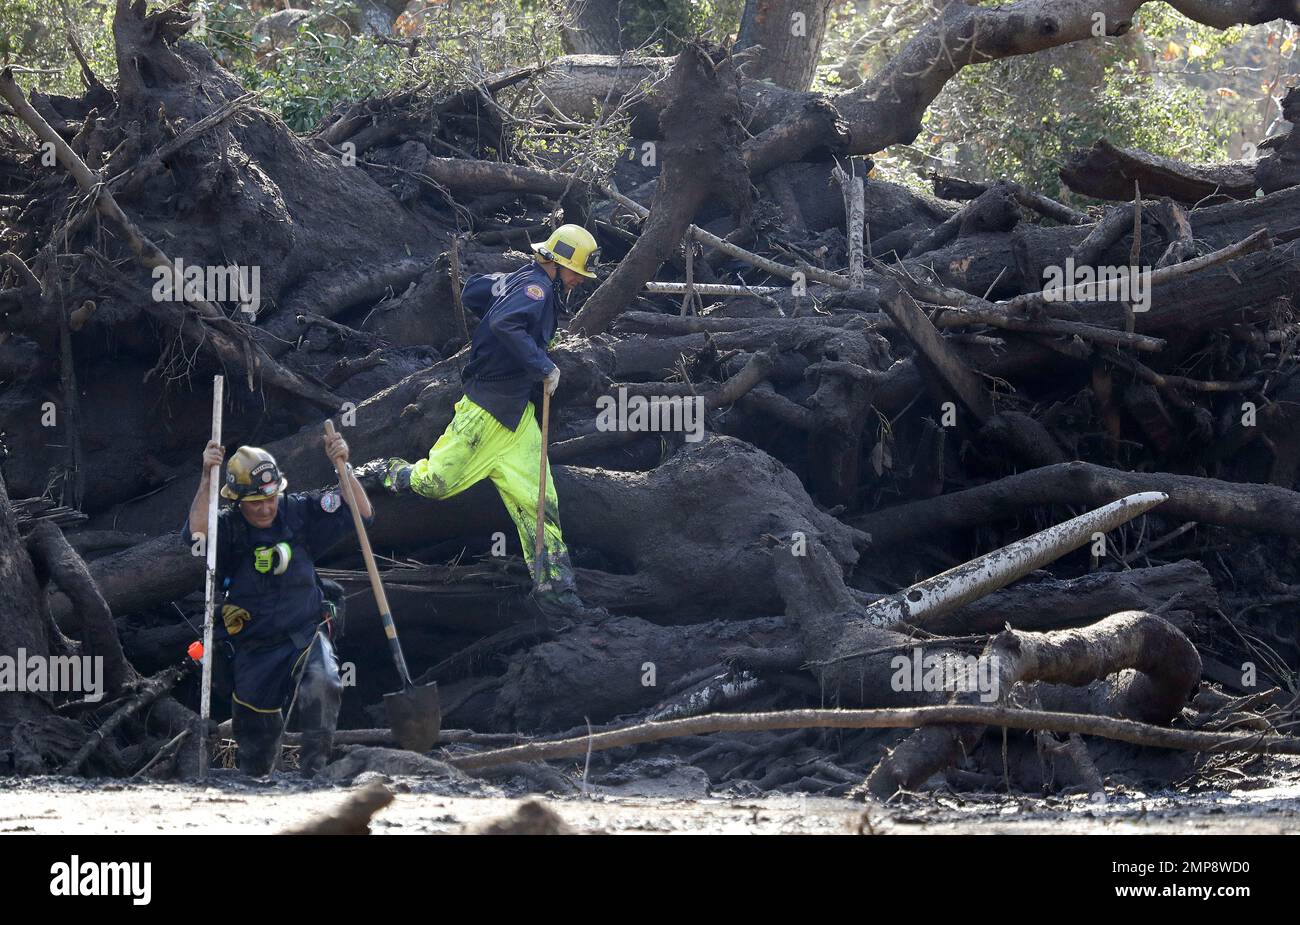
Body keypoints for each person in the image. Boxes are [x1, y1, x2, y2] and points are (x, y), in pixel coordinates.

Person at [359, 224, 605, 623]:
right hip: (486, 409)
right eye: (577, 272)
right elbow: (503, 324)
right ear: (557, 264)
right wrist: (543, 365)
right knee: (435, 483)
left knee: (539, 503)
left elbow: (475, 291)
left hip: (518, 417)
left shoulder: (522, 279)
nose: (579, 280)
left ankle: (556, 596)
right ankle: (384, 473)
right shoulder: (536, 290)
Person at [187, 433, 372, 777]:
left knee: (325, 683)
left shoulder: (297, 511)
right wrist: (206, 476)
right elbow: (196, 536)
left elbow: (362, 513)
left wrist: (342, 467)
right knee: (256, 751)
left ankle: (314, 776)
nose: (265, 508)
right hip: (253, 649)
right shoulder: (229, 529)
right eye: (255, 501)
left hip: (305, 633)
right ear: (238, 501)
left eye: (270, 498)